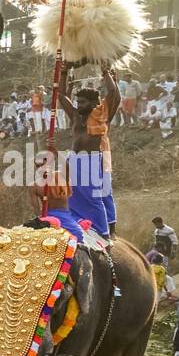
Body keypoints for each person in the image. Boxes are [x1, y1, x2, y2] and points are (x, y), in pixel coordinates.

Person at [59, 66, 119, 237]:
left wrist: (106, 72)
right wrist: (63, 73)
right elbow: (62, 96)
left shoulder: (102, 114)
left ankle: (105, 232)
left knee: (96, 197)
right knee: (72, 195)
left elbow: (113, 93)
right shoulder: (76, 115)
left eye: (82, 102)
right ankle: (79, 224)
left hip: (92, 160)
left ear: (93, 103)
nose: (78, 105)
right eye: (78, 102)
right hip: (74, 160)